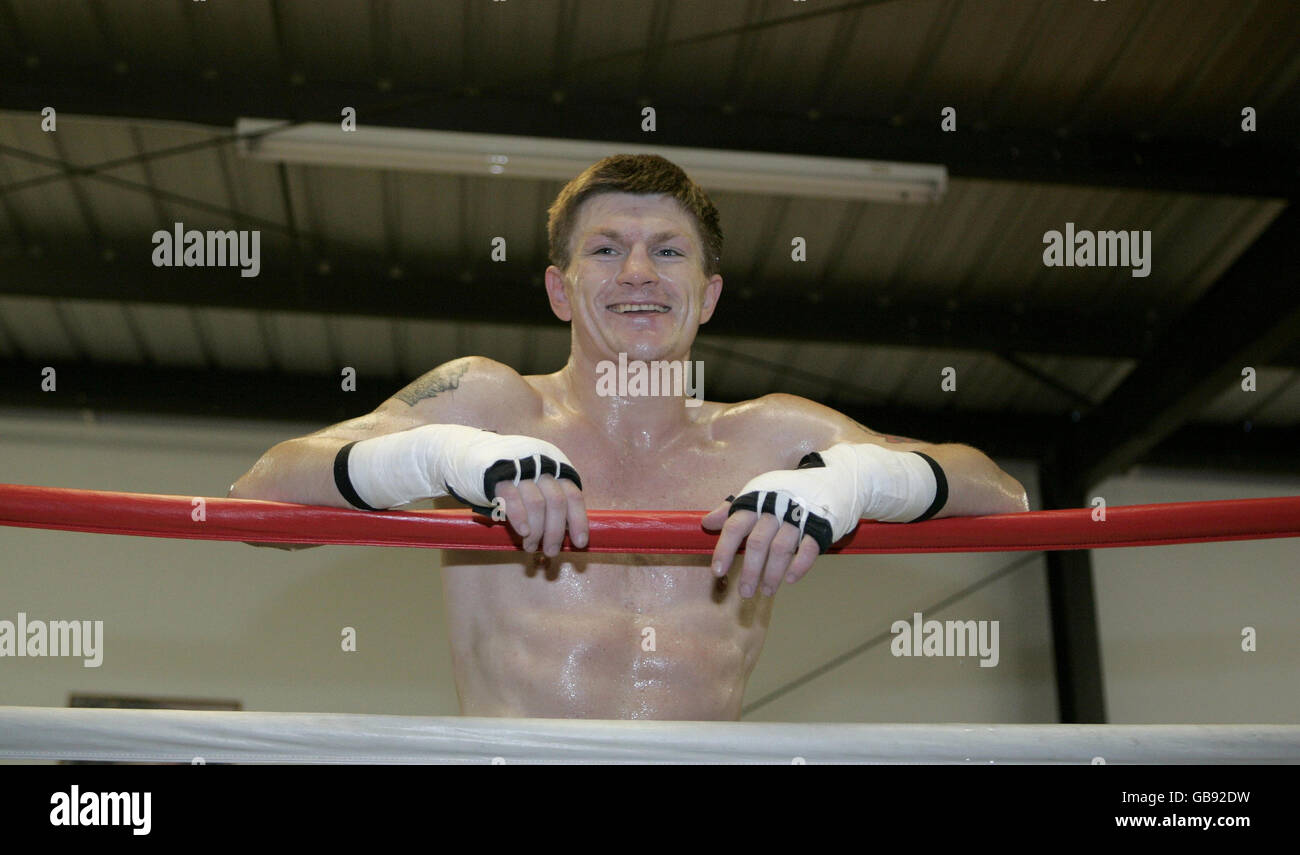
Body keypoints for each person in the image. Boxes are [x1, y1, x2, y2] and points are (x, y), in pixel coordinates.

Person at [230, 154, 1028, 720]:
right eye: (606, 249)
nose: (638, 272)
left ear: (708, 295)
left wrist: (851, 482)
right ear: (559, 288)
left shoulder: (772, 437)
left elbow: (1002, 495)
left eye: (668, 251)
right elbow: (260, 491)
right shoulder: (488, 405)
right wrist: (446, 453)